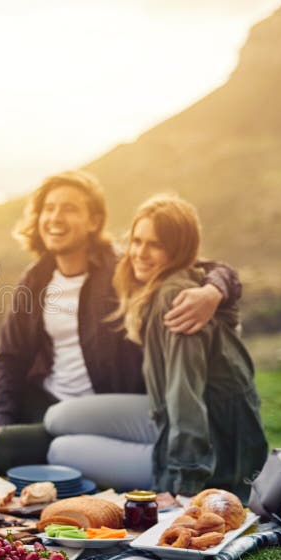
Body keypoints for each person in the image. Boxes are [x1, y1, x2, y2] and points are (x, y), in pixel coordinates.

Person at [0, 170, 242, 487]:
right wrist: (1, 417)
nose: (55, 218)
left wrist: (213, 291)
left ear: (94, 221)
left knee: (0, 449)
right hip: (45, 399)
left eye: (70, 208)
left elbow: (203, 266)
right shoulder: (36, 279)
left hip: (104, 417)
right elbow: (10, 357)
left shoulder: (124, 269)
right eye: (49, 208)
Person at [110, 194, 267, 500]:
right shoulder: (170, 285)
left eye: (155, 244)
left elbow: (186, 395)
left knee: (63, 446)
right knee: (60, 420)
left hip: (220, 458)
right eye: (137, 241)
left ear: (179, 250)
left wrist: (183, 486)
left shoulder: (176, 297)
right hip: (202, 437)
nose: (140, 253)